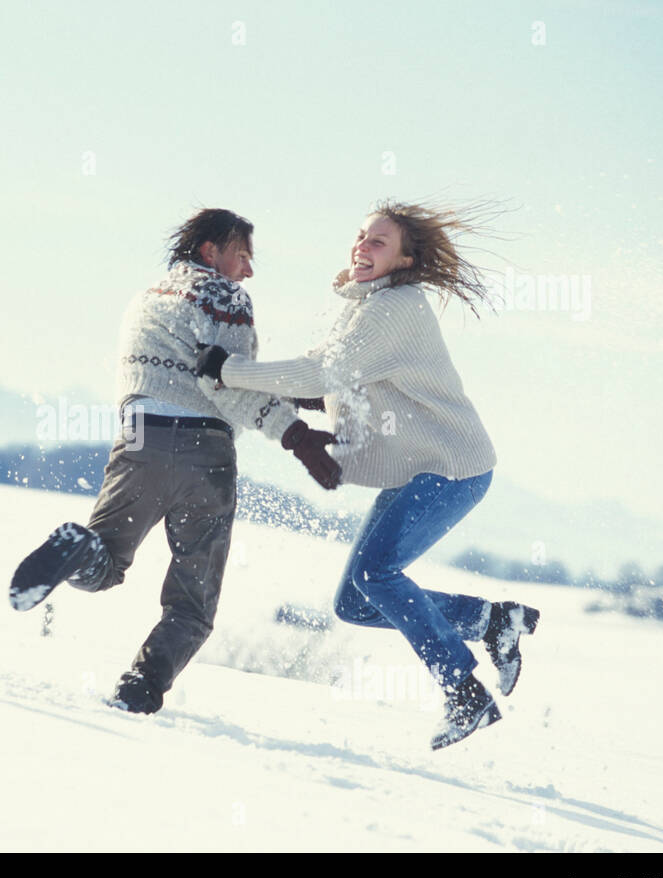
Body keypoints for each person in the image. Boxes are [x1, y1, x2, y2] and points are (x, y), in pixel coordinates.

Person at [194, 201, 539, 749]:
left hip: (452, 467)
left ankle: (465, 692)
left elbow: (321, 370)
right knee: (355, 601)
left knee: (377, 577)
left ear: (404, 259)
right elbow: (330, 374)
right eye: (360, 236)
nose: (362, 246)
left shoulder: (394, 308)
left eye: (379, 241)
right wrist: (290, 396)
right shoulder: (369, 306)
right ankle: (494, 622)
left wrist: (226, 369)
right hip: (420, 470)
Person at [8, 208, 341, 714]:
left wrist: (294, 398)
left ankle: (77, 550)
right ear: (211, 251)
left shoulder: (145, 300)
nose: (248, 271)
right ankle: (140, 687)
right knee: (193, 601)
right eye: (243, 255)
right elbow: (226, 385)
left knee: (106, 564)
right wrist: (295, 435)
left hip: (138, 439)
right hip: (203, 453)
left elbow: (169, 380)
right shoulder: (225, 297)